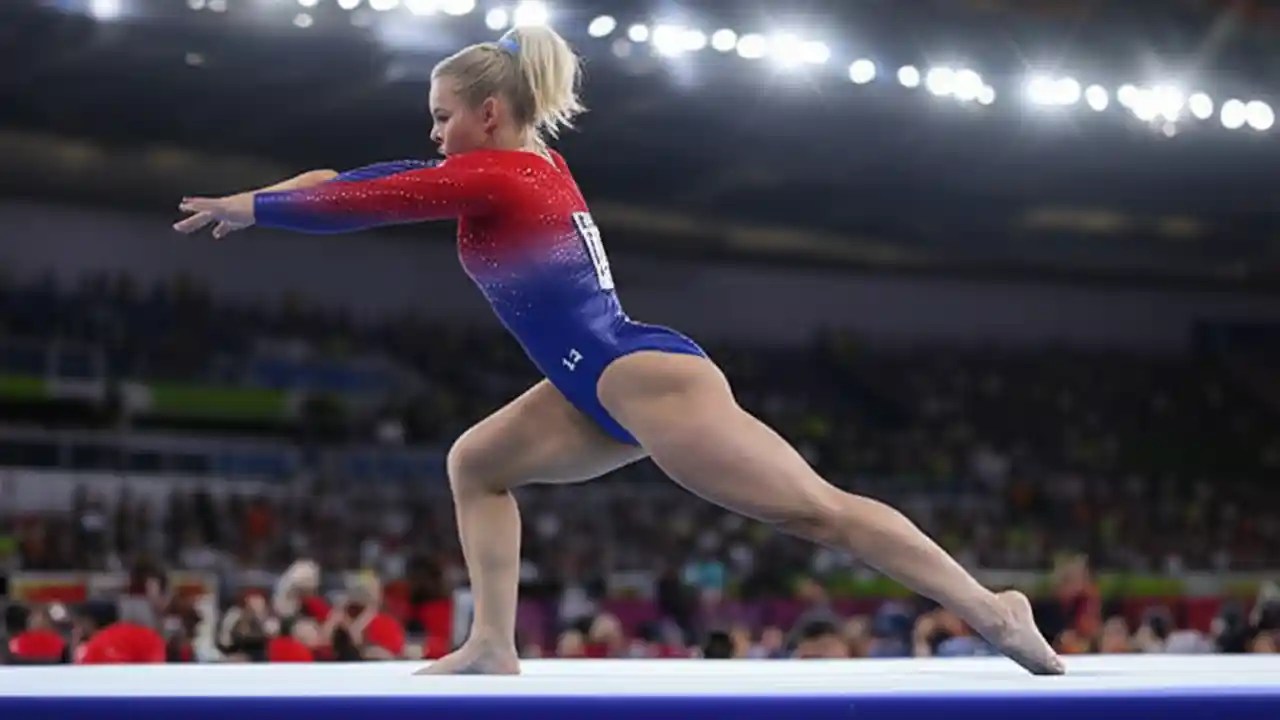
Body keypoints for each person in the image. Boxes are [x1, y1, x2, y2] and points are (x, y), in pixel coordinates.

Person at [173, 25, 1063, 676]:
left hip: (641, 378)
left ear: (490, 113)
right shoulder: (509, 167)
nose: (434, 133)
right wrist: (254, 203)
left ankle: (992, 609)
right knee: (476, 463)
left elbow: (360, 203)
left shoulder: (506, 175)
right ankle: (492, 643)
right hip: (591, 387)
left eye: (443, 118)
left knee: (814, 513)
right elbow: (350, 183)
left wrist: (257, 208)